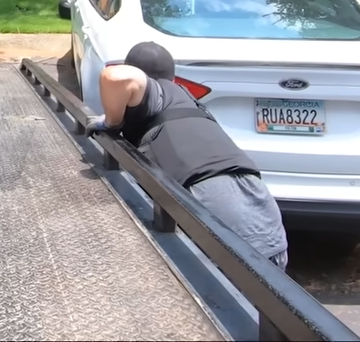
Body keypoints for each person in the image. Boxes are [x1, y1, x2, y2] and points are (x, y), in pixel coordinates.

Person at [85, 41, 290, 270]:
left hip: (214, 203)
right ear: (173, 76)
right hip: (266, 215)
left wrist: (111, 123)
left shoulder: (157, 94)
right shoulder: (191, 102)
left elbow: (114, 76)